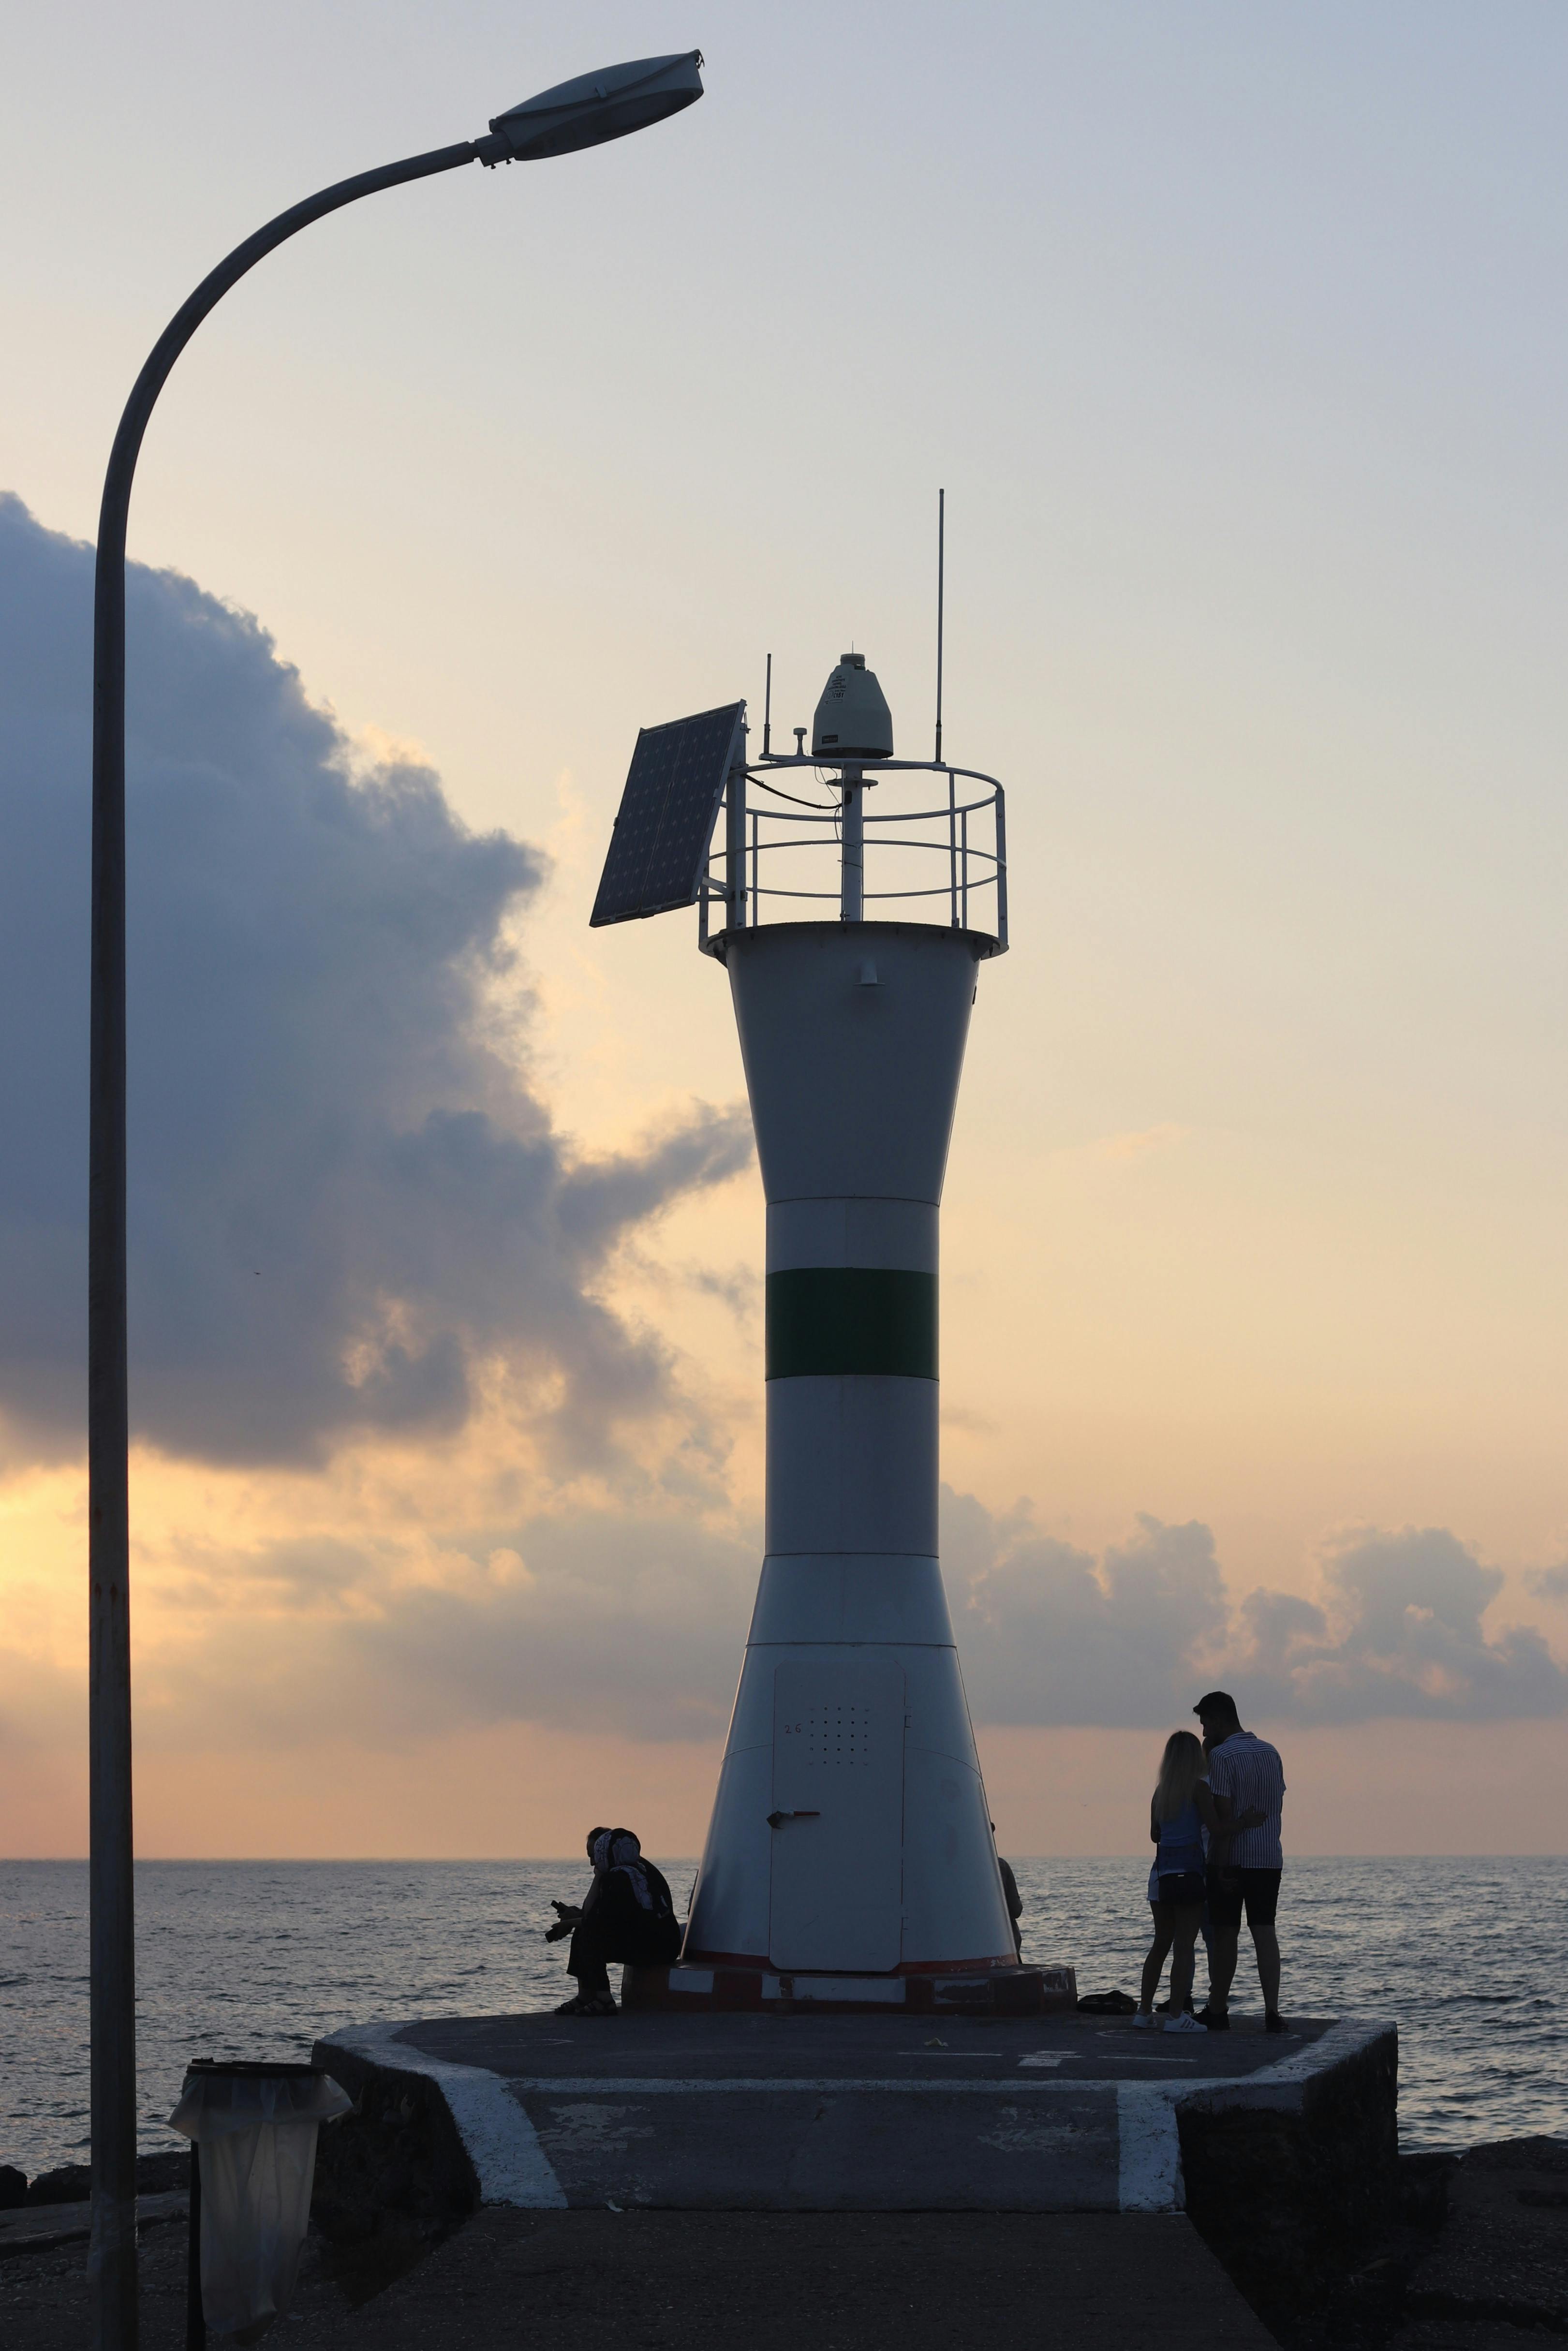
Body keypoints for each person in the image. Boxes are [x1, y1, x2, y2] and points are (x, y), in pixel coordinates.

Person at [1135, 1730, 1247, 2035]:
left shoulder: (1161, 1792)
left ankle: (1143, 2011)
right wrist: (1243, 1822)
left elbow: (1155, 1834)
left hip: (1160, 1877)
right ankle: (1175, 2016)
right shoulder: (1198, 1790)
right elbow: (1216, 1828)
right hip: (1189, 1876)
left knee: (1160, 1944)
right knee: (1185, 1946)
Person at [1192, 1691, 1287, 2033]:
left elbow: (1224, 1813)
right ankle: (1273, 2011)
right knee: (1265, 1932)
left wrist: (1220, 1865)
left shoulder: (1221, 1755)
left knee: (1226, 1935)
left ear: (1218, 1720)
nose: (1203, 1733)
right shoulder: (1272, 1752)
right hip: (1268, 1856)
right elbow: (1276, 1803)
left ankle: (1218, 2009)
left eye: (1205, 1724)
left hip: (1233, 1858)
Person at [546, 1827, 681, 2017]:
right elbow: (604, 1914)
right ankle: (586, 1995)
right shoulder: (636, 1868)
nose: (593, 1862)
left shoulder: (619, 1877)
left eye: (596, 1855)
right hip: (662, 1943)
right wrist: (577, 1917)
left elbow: (598, 1921)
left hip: (654, 1948)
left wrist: (569, 1923)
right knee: (585, 1930)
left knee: (588, 1933)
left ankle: (603, 1999)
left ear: (606, 1850)